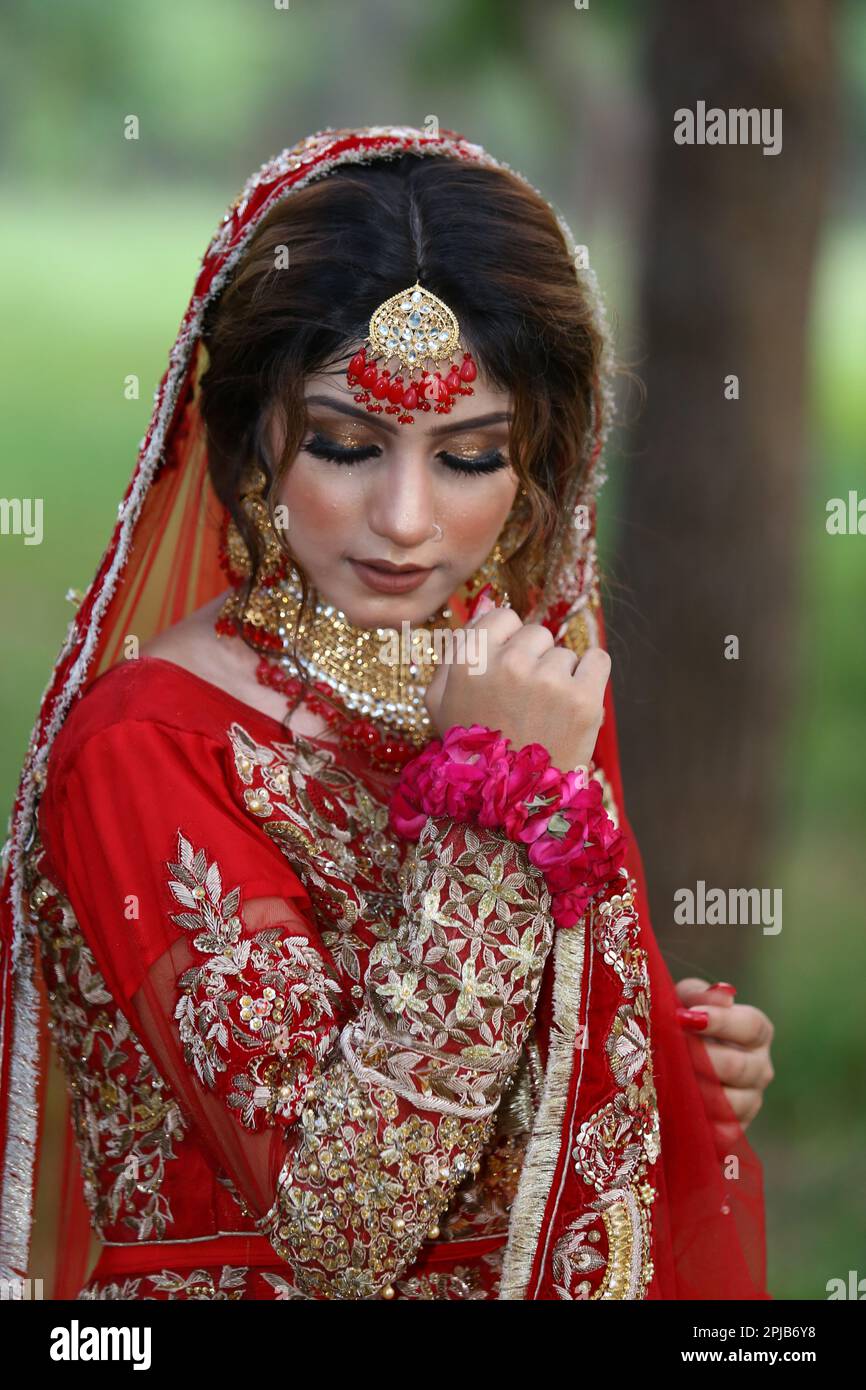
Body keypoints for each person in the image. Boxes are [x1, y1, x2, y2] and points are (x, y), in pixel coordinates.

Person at [0, 125, 772, 1301]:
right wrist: (495, 805)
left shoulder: (504, 681)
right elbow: (344, 1221)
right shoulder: (144, 746)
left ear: (537, 465)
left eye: (467, 458)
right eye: (346, 445)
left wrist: (644, 1049)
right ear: (254, 431)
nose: (405, 518)